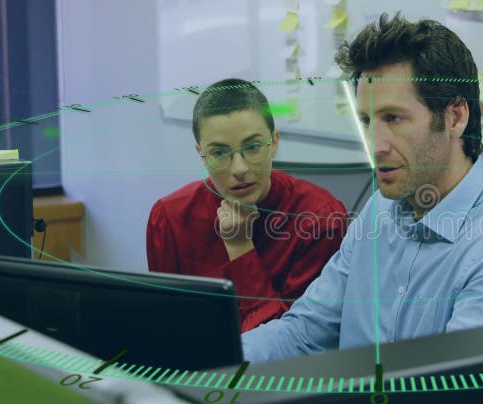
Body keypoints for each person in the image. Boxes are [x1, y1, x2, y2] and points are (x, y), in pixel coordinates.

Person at [242, 13, 483, 363]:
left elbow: (455, 390)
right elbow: (303, 334)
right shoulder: (380, 210)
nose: (374, 145)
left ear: (455, 117)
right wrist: (215, 364)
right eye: (367, 121)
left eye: (394, 118)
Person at [146, 78, 348, 332]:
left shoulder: (320, 220)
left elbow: (295, 340)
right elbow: (167, 326)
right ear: (201, 154)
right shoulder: (170, 218)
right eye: (219, 153)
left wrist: (240, 248)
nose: (239, 169)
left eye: (252, 147)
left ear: (274, 142)